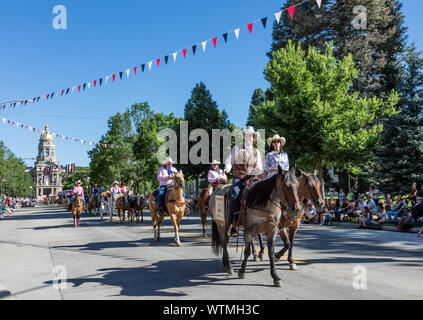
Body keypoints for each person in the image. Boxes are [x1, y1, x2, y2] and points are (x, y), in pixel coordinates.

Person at [224, 126, 263, 237]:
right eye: (247, 134)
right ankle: (232, 224)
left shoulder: (257, 151)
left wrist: (256, 171)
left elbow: (259, 166)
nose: (249, 137)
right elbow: (229, 161)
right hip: (239, 177)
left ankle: (261, 220)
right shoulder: (237, 148)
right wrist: (227, 168)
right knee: (235, 195)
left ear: (253, 137)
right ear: (244, 136)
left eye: (251, 135)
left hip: (252, 178)